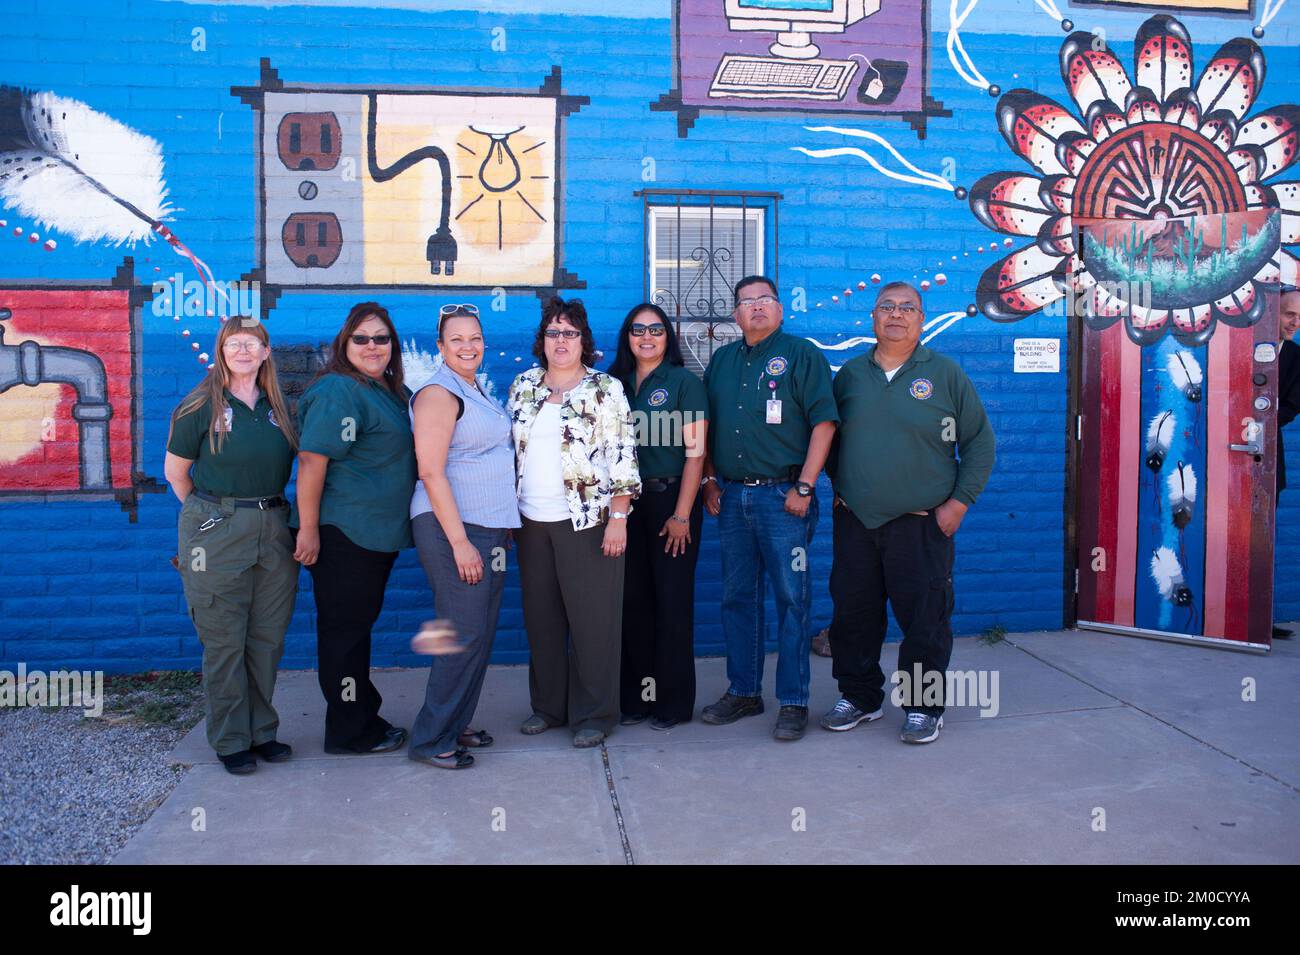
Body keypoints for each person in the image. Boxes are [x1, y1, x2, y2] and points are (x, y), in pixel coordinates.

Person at [822, 281, 995, 744]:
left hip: (922, 525)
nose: (896, 314)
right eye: (887, 307)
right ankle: (860, 697)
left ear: (921, 320)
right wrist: (840, 488)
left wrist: (959, 503)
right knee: (853, 617)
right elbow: (828, 439)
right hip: (856, 522)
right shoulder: (850, 376)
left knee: (925, 620)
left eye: (907, 308)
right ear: (873, 318)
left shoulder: (945, 374)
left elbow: (979, 441)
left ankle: (924, 706)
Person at [699, 275, 839, 741]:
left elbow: (824, 423)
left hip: (784, 499)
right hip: (734, 497)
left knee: (792, 600)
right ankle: (744, 691)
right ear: (735, 315)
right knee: (737, 597)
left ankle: (794, 701)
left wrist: (805, 485)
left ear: (780, 309)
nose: (756, 307)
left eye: (765, 300)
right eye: (746, 302)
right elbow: (710, 427)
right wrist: (712, 479)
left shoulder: (802, 356)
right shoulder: (721, 360)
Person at [164, 318, 299, 775]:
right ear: (221, 351)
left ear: (265, 351)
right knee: (224, 640)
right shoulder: (199, 405)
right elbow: (176, 474)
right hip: (217, 529)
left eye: (252, 343)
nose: (242, 351)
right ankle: (230, 738)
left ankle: (262, 731)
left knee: (267, 637)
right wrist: (213, 518)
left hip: (275, 527)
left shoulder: (278, 407)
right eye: (233, 343)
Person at [508, 297, 641, 748]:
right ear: (541, 341)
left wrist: (618, 518)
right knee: (542, 619)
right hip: (530, 521)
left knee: (593, 621)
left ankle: (595, 714)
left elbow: (622, 456)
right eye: (552, 332)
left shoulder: (605, 389)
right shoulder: (524, 385)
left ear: (584, 342)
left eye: (569, 332)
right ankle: (548, 707)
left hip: (587, 521)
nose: (560, 340)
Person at [291, 302, 416, 755]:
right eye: (361, 338)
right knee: (344, 635)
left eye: (381, 338)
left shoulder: (386, 391)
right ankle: (348, 731)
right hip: (344, 533)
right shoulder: (340, 391)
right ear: (345, 343)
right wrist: (308, 529)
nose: (372, 346)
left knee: (355, 631)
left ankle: (361, 715)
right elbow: (311, 460)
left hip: (373, 536)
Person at [407, 304, 521, 769]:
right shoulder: (438, 393)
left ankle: (455, 722)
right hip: (454, 529)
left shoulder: (472, 390)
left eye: (474, 338)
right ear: (440, 346)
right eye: (456, 339)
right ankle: (432, 740)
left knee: (478, 633)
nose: (467, 346)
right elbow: (431, 472)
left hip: (487, 529)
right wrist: (460, 543)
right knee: (460, 633)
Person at [607, 303, 708, 730]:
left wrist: (683, 514)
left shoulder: (685, 383)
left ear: (668, 336)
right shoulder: (612, 384)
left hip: (671, 503)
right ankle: (637, 699)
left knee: (671, 603)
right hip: (624, 506)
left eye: (656, 329)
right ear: (627, 337)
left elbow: (696, 453)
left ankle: (671, 704)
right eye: (637, 330)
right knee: (632, 602)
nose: (646, 337)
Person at [1273, 285, 1300, 639]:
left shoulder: (1295, 357)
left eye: (1299, 317)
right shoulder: (1240, 346)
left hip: (1266, 459)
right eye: (1289, 314)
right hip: (1216, 456)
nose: (1295, 322)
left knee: (1260, 540)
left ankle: (1255, 620)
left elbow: (1290, 408)